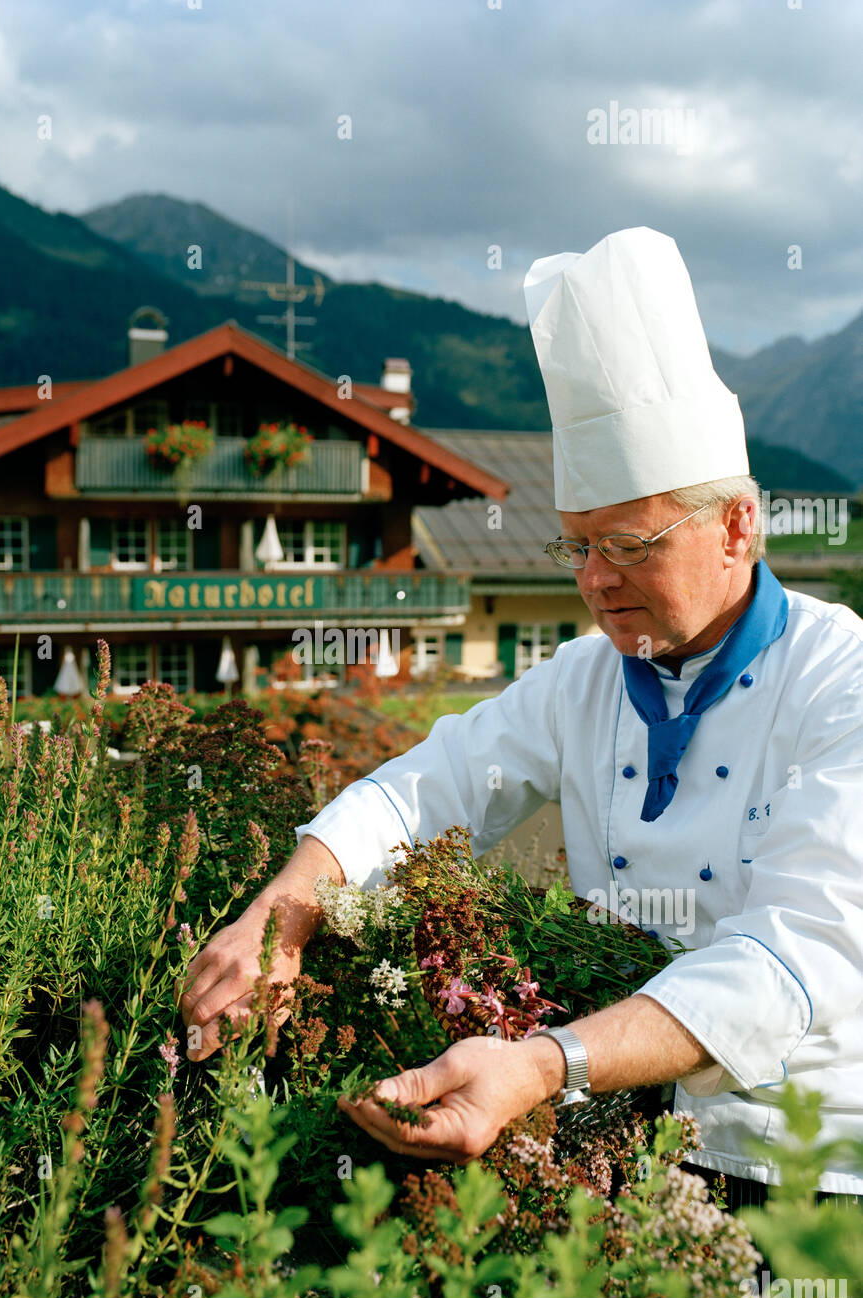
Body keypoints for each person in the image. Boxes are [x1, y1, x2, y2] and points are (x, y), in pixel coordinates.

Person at [181, 227, 863, 1201]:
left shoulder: (839, 681)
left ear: (736, 524)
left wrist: (540, 1064)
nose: (594, 580)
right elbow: (423, 790)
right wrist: (278, 914)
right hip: (628, 1148)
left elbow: (790, 958)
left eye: (626, 544)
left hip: (808, 1170)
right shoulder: (582, 679)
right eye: (574, 546)